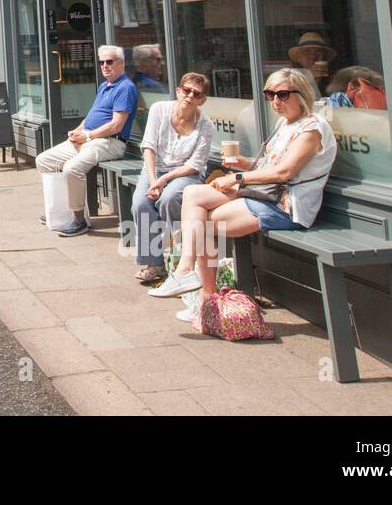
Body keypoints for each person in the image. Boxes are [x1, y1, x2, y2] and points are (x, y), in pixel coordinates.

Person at [150, 68, 338, 324]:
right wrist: (243, 163)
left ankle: (205, 301)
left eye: (282, 94)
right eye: (270, 94)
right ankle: (187, 275)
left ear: (301, 93)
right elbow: (269, 166)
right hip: (264, 194)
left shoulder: (312, 129)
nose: (275, 101)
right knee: (193, 194)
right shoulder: (285, 124)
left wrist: (236, 178)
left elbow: (284, 172)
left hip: (286, 205)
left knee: (202, 223)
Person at [35, 45, 139, 237]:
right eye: (101, 62)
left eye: (109, 62)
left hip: (109, 142)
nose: (105, 66)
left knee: (72, 168)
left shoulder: (126, 88)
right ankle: (61, 212)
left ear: (121, 63)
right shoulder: (104, 86)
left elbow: (116, 125)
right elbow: (92, 116)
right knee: (43, 160)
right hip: (89, 139)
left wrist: (88, 136)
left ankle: (79, 221)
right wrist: (77, 130)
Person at [130, 73, 215, 283]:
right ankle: (155, 264)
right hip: (154, 168)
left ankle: (179, 262)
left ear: (202, 100)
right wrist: (153, 180)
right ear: (178, 91)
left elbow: (195, 164)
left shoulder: (206, 125)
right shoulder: (159, 109)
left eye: (196, 94)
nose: (189, 96)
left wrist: (164, 180)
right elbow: (148, 146)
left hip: (185, 174)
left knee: (169, 199)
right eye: (186, 90)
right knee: (140, 204)